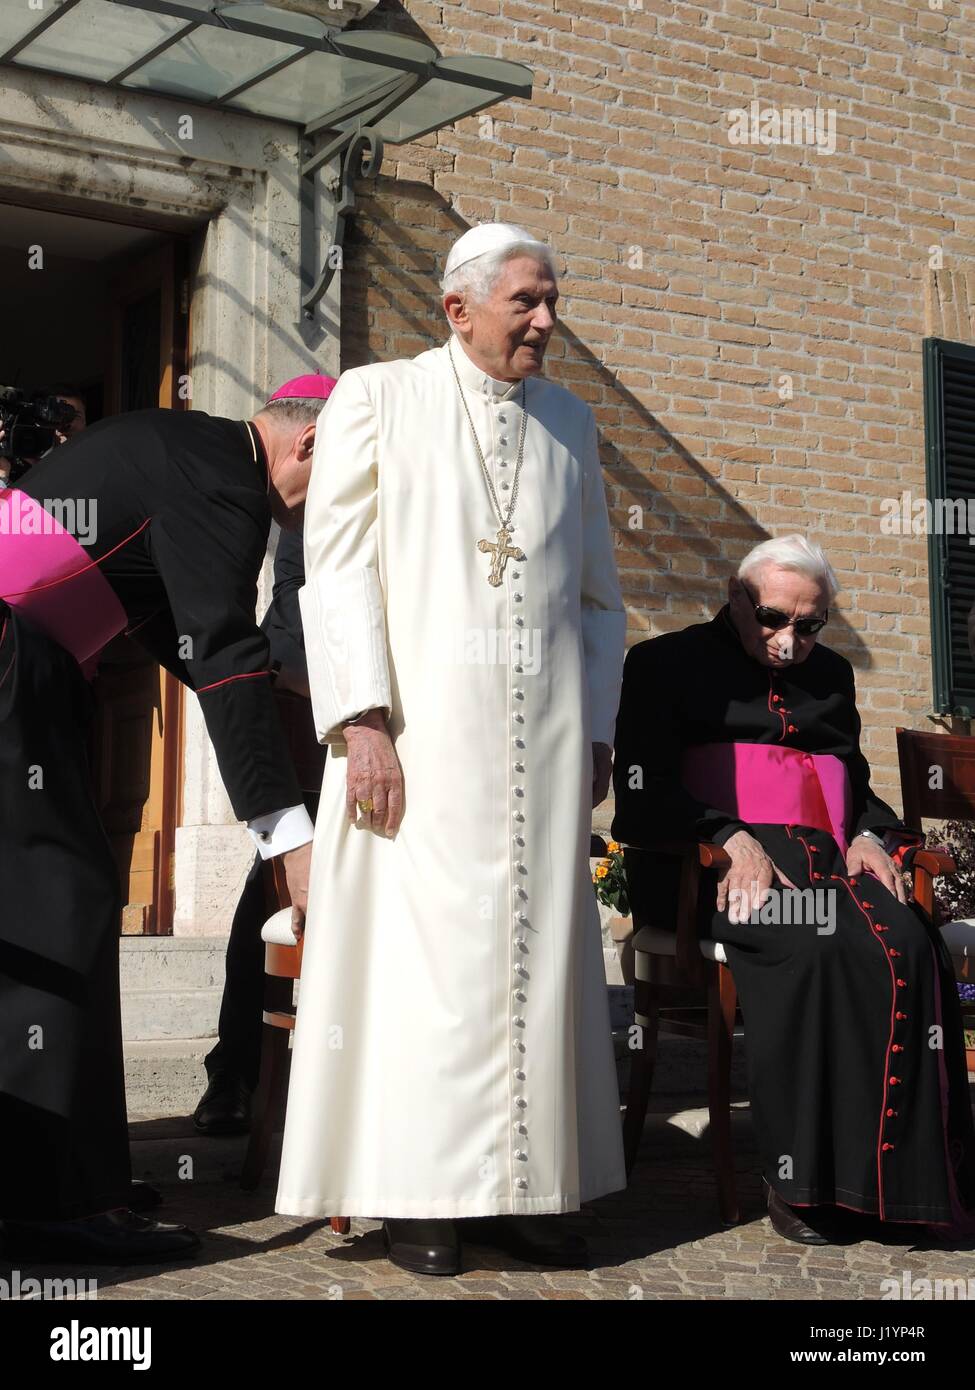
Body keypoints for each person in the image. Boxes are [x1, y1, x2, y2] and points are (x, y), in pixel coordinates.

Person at [274, 222, 628, 1277]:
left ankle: (522, 1189)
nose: (546, 321)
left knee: (536, 966)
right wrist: (362, 720)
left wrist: (599, 728)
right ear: (456, 308)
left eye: (552, 299)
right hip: (416, 745)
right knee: (424, 969)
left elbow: (601, 601)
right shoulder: (377, 398)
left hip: (546, 749)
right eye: (527, 300)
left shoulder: (571, 421)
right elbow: (333, 573)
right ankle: (422, 1195)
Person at [0, 389, 321, 1262]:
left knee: (49, 907)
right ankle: (53, 1199)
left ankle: (62, 1172)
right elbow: (222, 652)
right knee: (59, 907)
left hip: (35, 664)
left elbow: (171, 628)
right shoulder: (226, 483)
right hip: (14, 656)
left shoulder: (184, 451)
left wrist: (286, 692)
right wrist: (286, 836)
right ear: (312, 445)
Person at [612, 534, 975, 1244]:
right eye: (773, 619)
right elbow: (640, 794)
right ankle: (801, 1186)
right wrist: (722, 834)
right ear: (734, 598)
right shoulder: (663, 664)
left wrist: (873, 836)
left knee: (909, 942)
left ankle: (902, 1186)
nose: (788, 642)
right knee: (815, 945)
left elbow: (853, 784)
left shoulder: (832, 676)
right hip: (710, 875)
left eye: (807, 627)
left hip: (826, 865)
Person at [195, 375, 336, 1135]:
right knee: (277, 884)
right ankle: (235, 1073)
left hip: (362, 714)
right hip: (299, 701)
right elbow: (298, 614)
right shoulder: (302, 507)